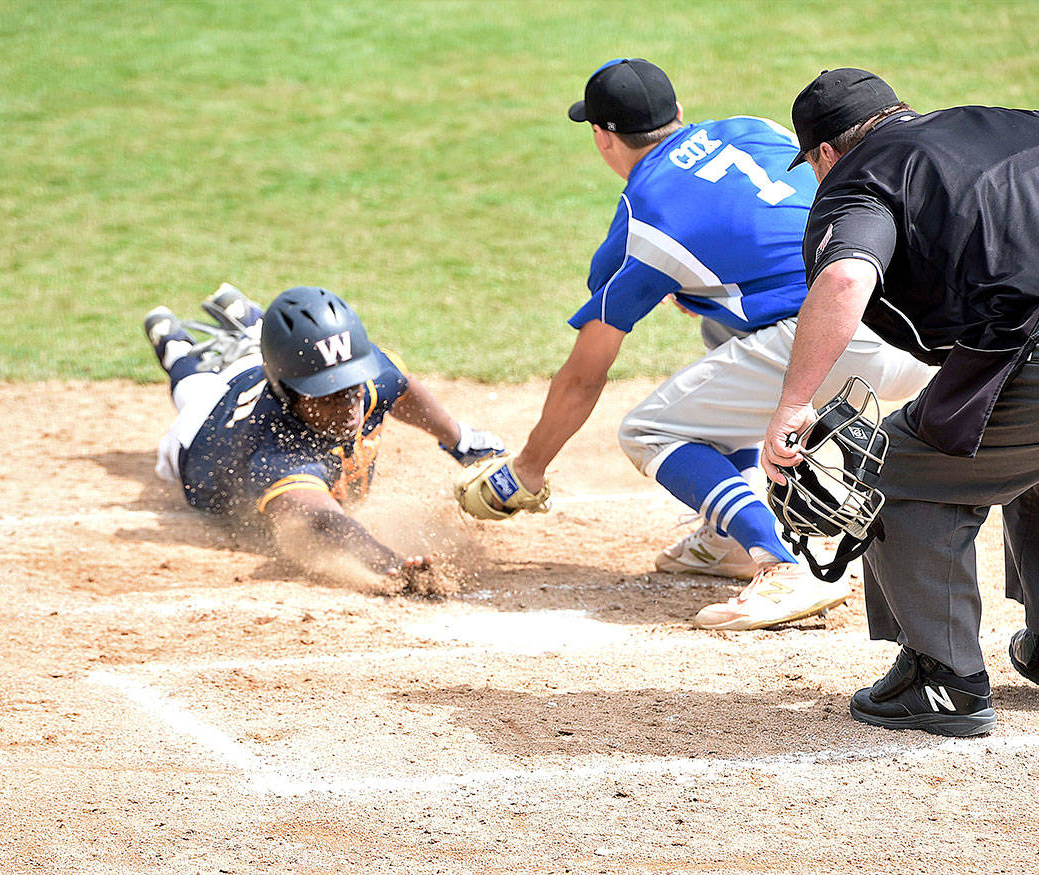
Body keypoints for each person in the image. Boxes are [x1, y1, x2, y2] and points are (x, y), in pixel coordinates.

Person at [762, 68, 1039, 736]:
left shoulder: (861, 177)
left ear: (826, 152)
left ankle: (942, 679)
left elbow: (843, 278)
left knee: (891, 467)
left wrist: (791, 405)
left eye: (811, 163)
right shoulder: (1009, 119)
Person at [498, 58, 932, 629]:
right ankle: (722, 539)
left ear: (603, 139)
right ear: (677, 114)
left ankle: (782, 560)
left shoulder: (644, 220)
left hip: (830, 340)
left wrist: (527, 471)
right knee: (720, 328)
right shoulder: (755, 128)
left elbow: (584, 375)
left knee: (649, 430)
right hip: (915, 320)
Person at [143, 283, 504, 592]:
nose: (348, 404)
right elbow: (321, 518)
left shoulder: (355, 371)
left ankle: (253, 324)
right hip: (203, 431)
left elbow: (401, 388)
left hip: (263, 367)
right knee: (191, 387)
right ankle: (173, 344)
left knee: (278, 350)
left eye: (352, 387)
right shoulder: (275, 448)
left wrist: (461, 440)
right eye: (327, 394)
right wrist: (385, 561)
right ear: (289, 394)